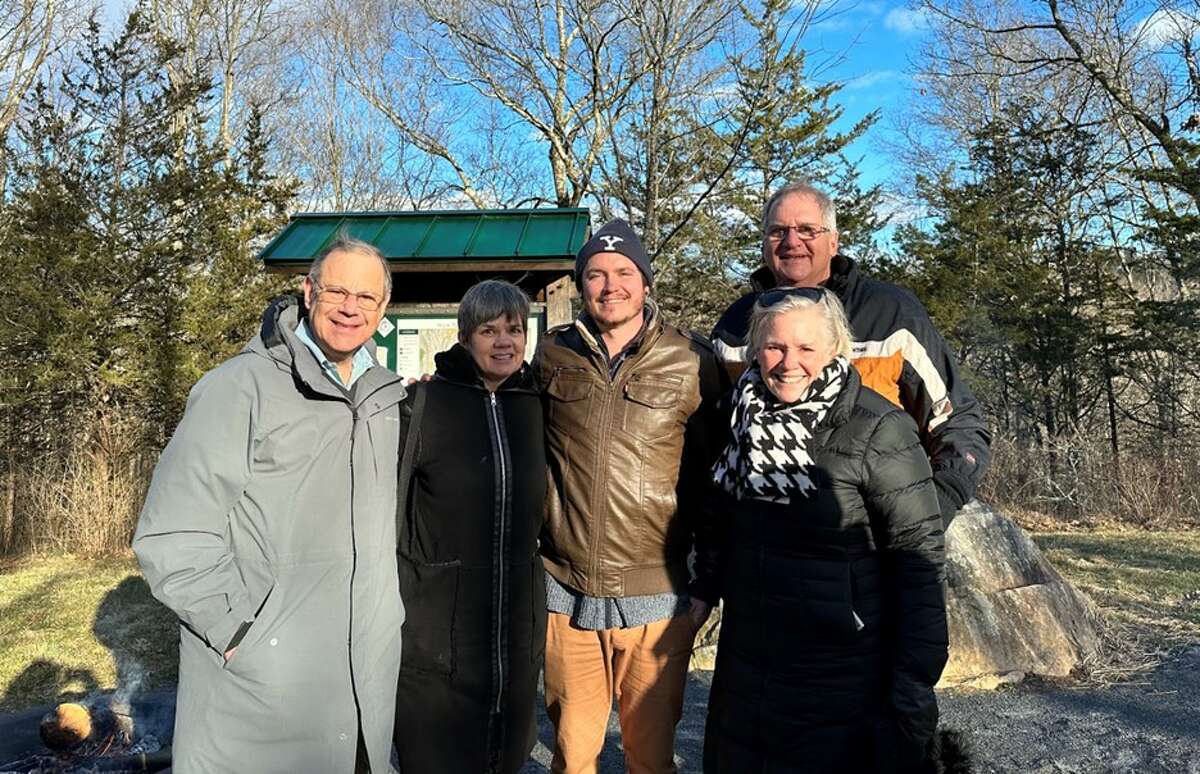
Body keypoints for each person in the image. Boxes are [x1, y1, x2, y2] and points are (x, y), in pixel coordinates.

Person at [133, 237, 406, 773]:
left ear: (383, 309)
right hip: (263, 687)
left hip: (362, 680)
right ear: (308, 292)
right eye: (337, 291)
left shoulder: (384, 397)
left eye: (367, 298)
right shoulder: (239, 388)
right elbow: (172, 535)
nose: (351, 308)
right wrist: (241, 632)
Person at [703, 288, 949, 773]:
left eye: (806, 349)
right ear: (755, 348)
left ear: (836, 349)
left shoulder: (879, 430)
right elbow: (720, 519)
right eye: (774, 347)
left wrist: (913, 681)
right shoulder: (738, 417)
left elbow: (918, 561)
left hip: (841, 669)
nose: (787, 362)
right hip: (750, 662)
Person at [536, 219, 727, 774]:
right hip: (566, 594)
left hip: (658, 597)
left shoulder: (693, 359)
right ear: (580, 284)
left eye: (624, 272)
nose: (609, 285)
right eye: (595, 274)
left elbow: (718, 475)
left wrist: (706, 580)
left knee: (649, 757)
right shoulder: (552, 355)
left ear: (645, 281)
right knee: (573, 756)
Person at [711, 182, 990, 527]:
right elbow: (713, 431)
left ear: (833, 241)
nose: (792, 241)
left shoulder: (890, 315)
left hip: (872, 534)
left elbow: (956, 420)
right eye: (778, 231)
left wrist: (936, 505)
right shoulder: (734, 327)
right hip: (762, 536)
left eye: (807, 230)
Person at [392, 279, 547, 773]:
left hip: (515, 625)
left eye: (514, 329)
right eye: (489, 330)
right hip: (438, 626)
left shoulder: (535, 406)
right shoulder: (424, 407)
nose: (504, 341)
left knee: (506, 754)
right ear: (464, 338)